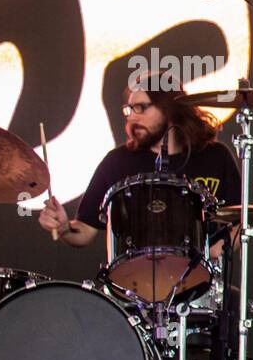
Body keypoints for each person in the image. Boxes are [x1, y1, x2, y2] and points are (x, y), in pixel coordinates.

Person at [38, 79, 240, 247]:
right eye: (130, 110)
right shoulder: (117, 162)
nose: (133, 117)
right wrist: (64, 228)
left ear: (168, 108)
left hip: (203, 285)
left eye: (140, 108)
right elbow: (84, 231)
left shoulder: (215, 156)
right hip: (132, 285)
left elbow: (241, 221)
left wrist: (217, 249)